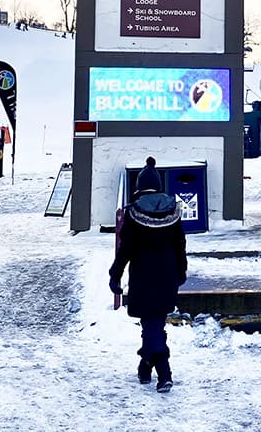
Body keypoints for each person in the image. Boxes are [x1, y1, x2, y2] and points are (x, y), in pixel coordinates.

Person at [108, 157, 187, 393]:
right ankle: (145, 365)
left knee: (151, 326)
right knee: (154, 325)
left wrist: (115, 275)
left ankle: (164, 373)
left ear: (139, 187)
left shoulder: (134, 214)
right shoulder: (173, 211)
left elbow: (126, 249)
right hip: (167, 278)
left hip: (143, 278)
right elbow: (179, 245)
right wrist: (181, 272)